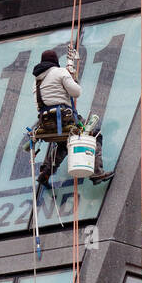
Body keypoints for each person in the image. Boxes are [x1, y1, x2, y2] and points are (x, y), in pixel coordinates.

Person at [31, 47, 111, 186]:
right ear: (55, 61)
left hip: (46, 123)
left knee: (63, 144)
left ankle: (46, 173)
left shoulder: (36, 81)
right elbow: (76, 92)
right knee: (95, 133)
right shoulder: (59, 72)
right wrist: (71, 77)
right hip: (64, 118)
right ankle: (97, 173)